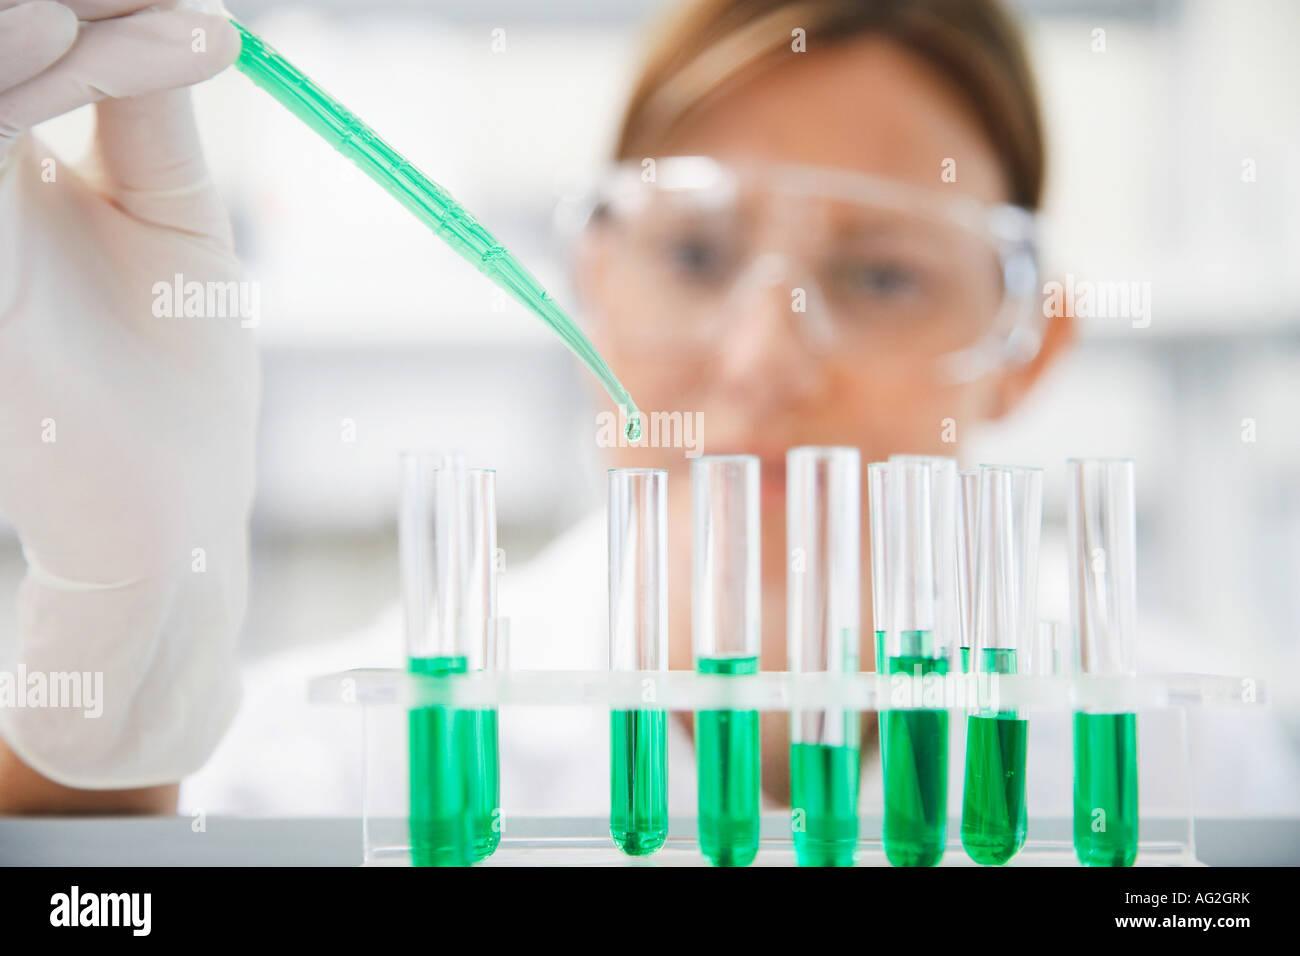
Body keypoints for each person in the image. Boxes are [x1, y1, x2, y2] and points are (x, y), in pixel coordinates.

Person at [3, 0, 1296, 825]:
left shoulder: (1195, 767)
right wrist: (91, 723)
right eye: (693, 254)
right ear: (591, 286)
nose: (761, 364)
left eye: (884, 274)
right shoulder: (320, 768)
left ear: (1026, 344)